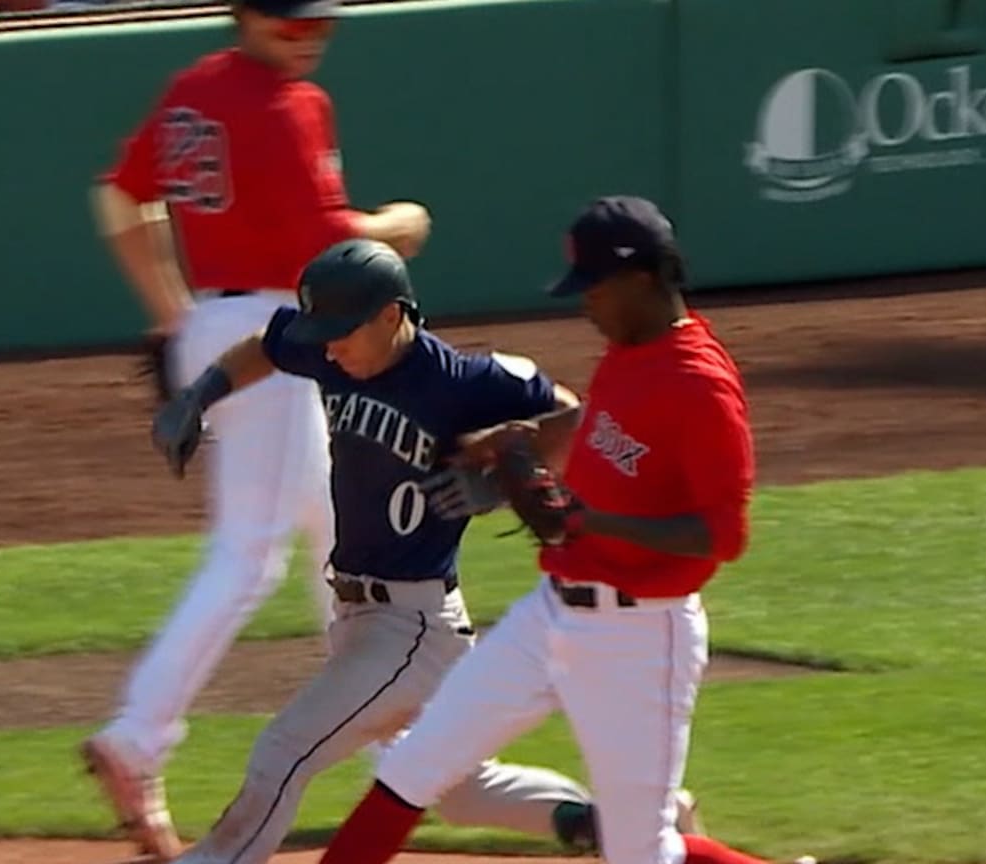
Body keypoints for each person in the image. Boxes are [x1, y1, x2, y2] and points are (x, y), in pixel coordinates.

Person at [315, 197, 812, 864]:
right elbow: (594, 424)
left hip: (642, 638)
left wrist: (589, 520)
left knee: (643, 852)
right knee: (412, 768)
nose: (585, 304)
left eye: (594, 288)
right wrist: (514, 438)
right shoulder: (630, 348)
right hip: (549, 616)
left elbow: (721, 535)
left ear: (640, 281)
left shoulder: (701, 386)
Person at [83, 0, 433, 857]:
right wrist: (399, 227)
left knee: (333, 537)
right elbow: (328, 247)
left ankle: (397, 734)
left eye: (318, 21)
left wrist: (171, 316)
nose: (305, 33)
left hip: (224, 322)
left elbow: (119, 195)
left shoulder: (195, 87)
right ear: (244, 13)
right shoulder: (287, 103)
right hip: (280, 333)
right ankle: (138, 735)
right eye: (287, 18)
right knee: (250, 553)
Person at [146, 237, 615, 864]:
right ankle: (607, 825)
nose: (330, 346)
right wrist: (199, 394)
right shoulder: (334, 349)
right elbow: (270, 344)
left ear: (392, 316)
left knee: (285, 752)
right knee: (457, 786)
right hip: (370, 620)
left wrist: (503, 468)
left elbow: (580, 418)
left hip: (412, 629)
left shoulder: (464, 381)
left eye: (342, 332)